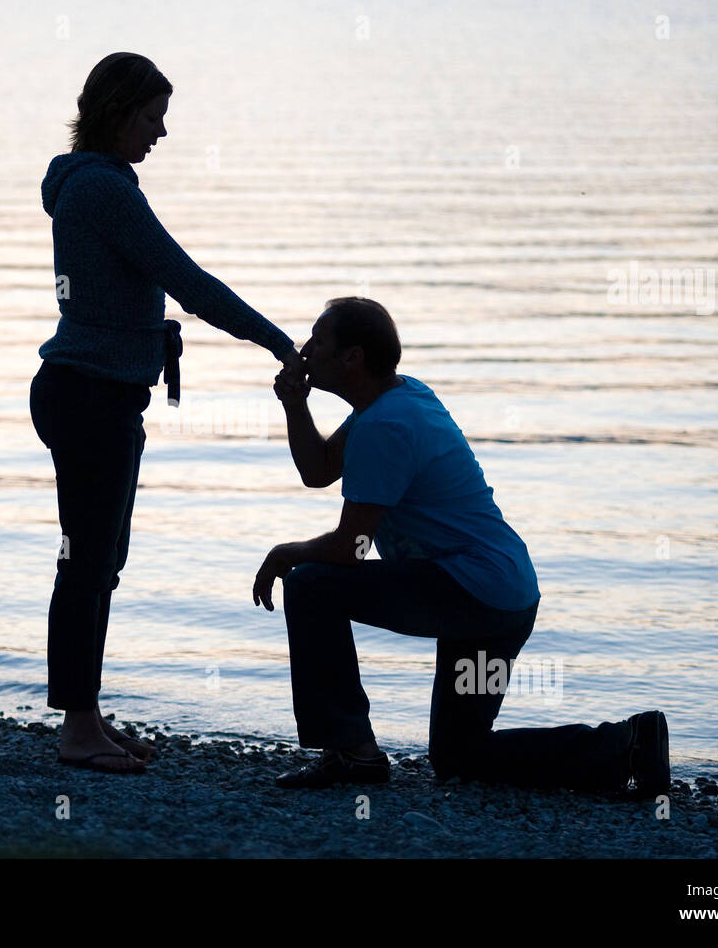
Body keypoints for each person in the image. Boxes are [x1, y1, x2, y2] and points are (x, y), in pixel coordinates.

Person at [253, 297, 670, 795]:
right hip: (505, 598)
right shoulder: (397, 400)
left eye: (318, 339)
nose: (305, 348)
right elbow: (319, 470)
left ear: (353, 358)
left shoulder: (387, 424)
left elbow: (352, 548)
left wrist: (286, 553)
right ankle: (630, 746)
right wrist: (295, 403)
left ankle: (352, 753)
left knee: (311, 585)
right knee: (459, 755)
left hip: (469, 592)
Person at [31, 52, 301, 774]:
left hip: (92, 389)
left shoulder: (91, 183)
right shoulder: (105, 192)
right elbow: (187, 280)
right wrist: (278, 341)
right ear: (118, 113)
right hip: (89, 395)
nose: (161, 132)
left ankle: (86, 716)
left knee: (100, 561)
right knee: (87, 563)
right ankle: (77, 732)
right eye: (152, 117)